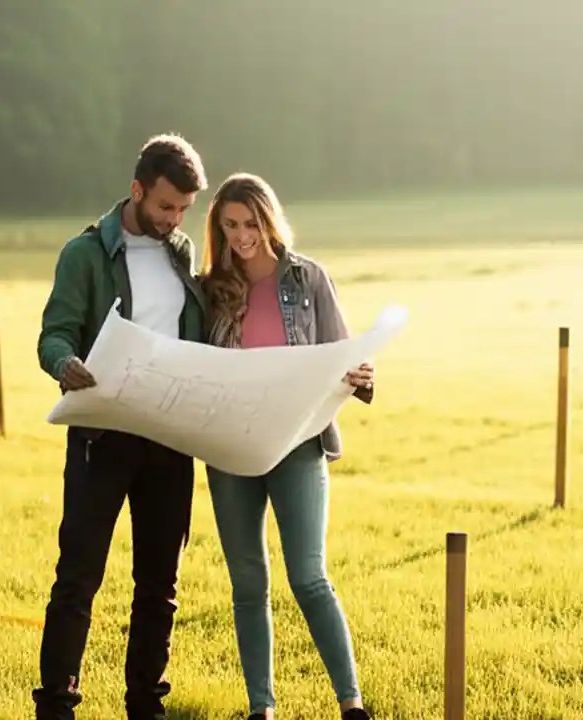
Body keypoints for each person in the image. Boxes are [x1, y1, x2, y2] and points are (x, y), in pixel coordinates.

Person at [33, 134, 208, 720]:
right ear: (137, 190)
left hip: (169, 440)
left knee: (159, 586)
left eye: (183, 209)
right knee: (78, 578)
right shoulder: (83, 255)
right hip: (101, 440)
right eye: (165, 207)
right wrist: (65, 363)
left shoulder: (183, 255)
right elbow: (54, 332)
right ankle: (57, 704)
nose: (174, 219)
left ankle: (146, 706)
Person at [199, 172, 375, 720]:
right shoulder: (209, 288)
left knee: (308, 576)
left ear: (269, 219)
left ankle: (350, 704)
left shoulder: (308, 278)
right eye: (229, 225)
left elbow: (345, 357)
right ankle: (262, 709)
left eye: (250, 223)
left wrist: (360, 373)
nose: (241, 236)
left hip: (298, 444)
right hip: (231, 449)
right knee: (248, 582)